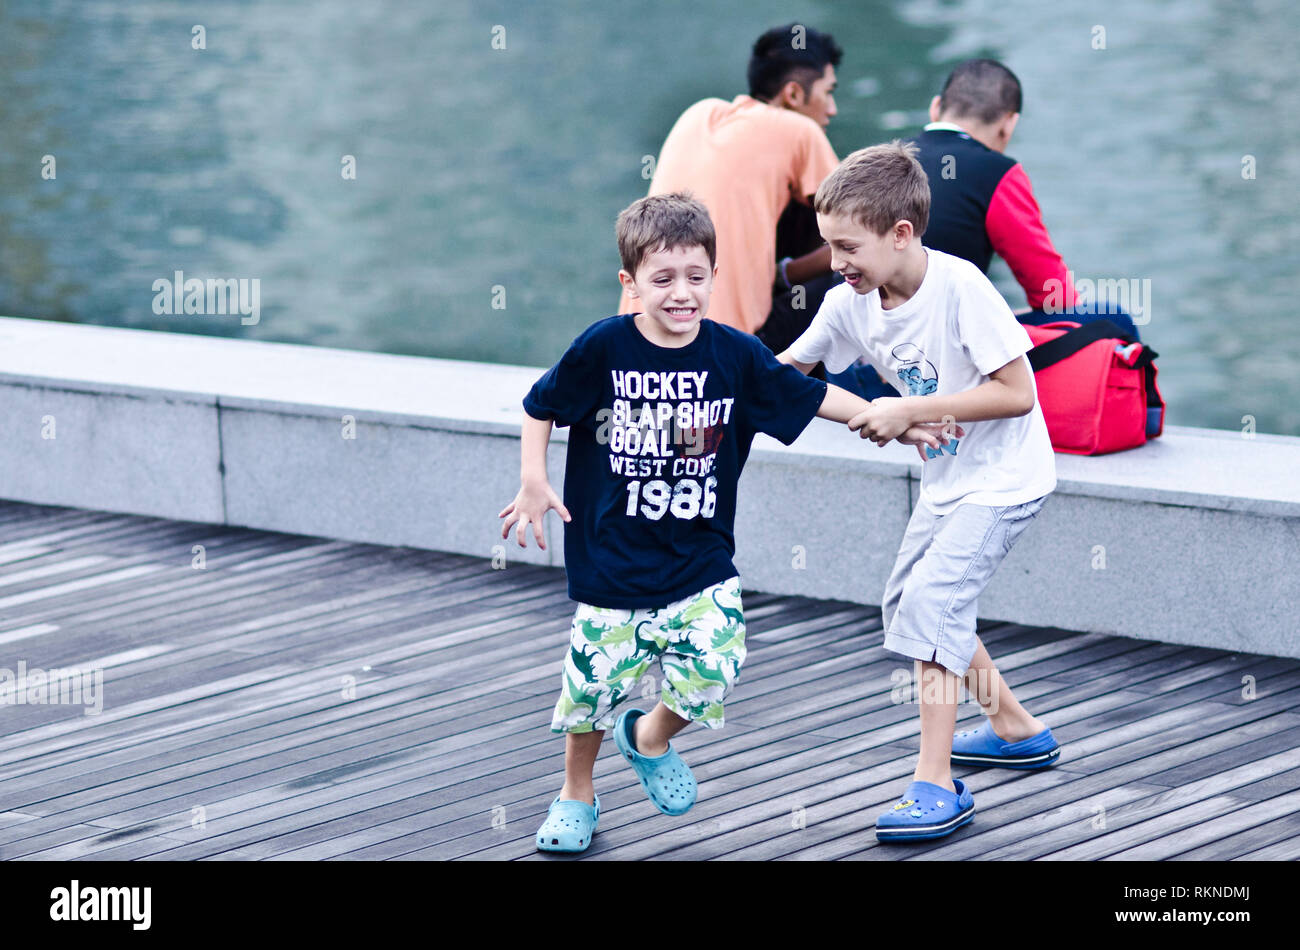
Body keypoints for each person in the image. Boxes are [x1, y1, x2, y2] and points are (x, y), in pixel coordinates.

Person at [504, 192, 956, 854]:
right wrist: (533, 478)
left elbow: (810, 393)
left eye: (696, 277)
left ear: (715, 276)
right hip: (611, 561)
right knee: (593, 689)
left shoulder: (734, 355)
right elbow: (540, 405)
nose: (682, 293)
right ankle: (577, 793)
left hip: (701, 559)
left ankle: (650, 737)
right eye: (662, 279)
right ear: (630, 284)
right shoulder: (603, 347)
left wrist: (894, 414)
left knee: (717, 665)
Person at [779, 143, 1062, 843]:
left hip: (1005, 480)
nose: (836, 263)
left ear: (900, 234)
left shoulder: (961, 287)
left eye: (849, 246)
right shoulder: (852, 302)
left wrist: (906, 412)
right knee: (915, 604)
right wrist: (713, 389)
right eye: (828, 245)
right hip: (949, 482)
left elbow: (1017, 394)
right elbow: (790, 368)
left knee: (935, 606)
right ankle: (1015, 727)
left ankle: (935, 783)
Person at [617, 24, 842, 338]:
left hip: (638, 335)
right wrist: (786, 273)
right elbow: (866, 226)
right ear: (793, 93)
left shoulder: (698, 112)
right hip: (727, 345)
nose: (832, 109)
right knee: (843, 260)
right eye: (828, 92)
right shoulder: (800, 131)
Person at [912, 58, 1141, 340]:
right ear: (1009, 123)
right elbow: (1053, 297)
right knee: (1113, 321)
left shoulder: (884, 158)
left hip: (874, 335)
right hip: (944, 343)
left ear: (935, 108)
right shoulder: (996, 172)